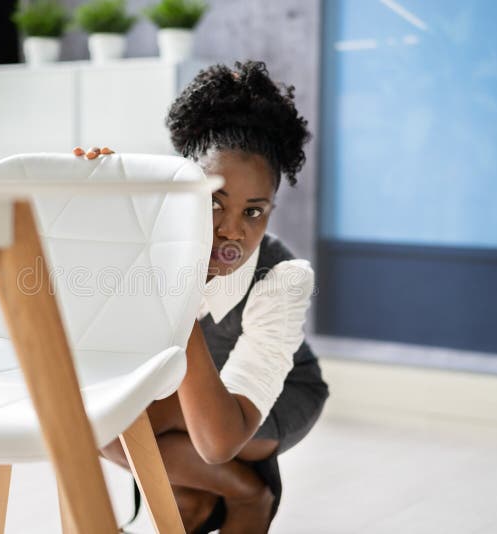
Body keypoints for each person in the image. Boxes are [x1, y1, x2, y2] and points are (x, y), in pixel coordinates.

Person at [74, 60, 329, 533]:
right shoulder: (149, 230)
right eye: (214, 200)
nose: (232, 229)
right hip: (189, 385)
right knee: (98, 420)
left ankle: (233, 496)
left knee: (136, 419)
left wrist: (177, 299)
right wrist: (92, 215)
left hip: (272, 393)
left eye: (254, 211)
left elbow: (218, 441)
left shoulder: (284, 278)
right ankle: (243, 493)